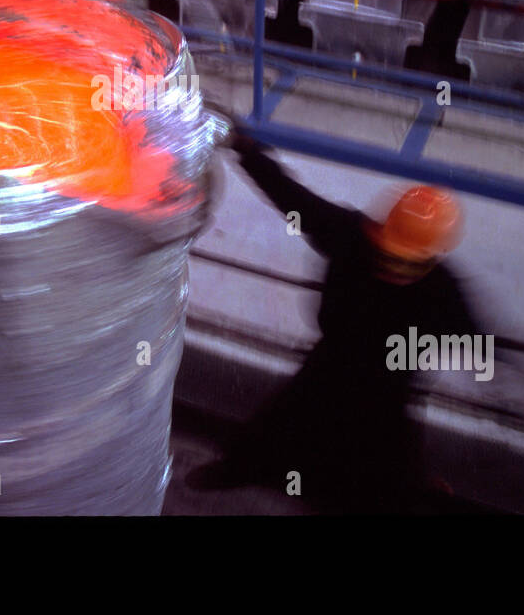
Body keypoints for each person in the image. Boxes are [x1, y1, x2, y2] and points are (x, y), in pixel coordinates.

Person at [188, 127, 491, 514]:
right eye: (390, 256)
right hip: (333, 365)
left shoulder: (444, 290)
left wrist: (513, 382)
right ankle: (241, 467)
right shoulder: (350, 235)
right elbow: (291, 196)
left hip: (386, 390)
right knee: (280, 426)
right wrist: (249, 152)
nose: (393, 269)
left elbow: (480, 338)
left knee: (384, 472)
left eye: (405, 263)